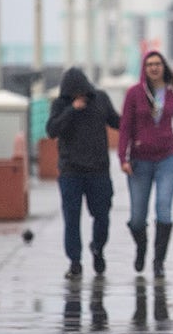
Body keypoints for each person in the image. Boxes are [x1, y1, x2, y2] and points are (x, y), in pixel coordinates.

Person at [119, 51, 173, 278]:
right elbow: (125, 128)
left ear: (164, 67)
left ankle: (159, 261)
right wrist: (123, 157)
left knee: (164, 208)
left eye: (158, 64)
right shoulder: (134, 93)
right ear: (144, 68)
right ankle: (141, 247)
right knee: (137, 217)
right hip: (140, 160)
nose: (154, 68)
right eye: (149, 64)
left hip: (167, 159)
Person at [45, 67, 121, 279]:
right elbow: (51, 130)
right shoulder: (60, 105)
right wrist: (72, 109)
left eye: (81, 92)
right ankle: (75, 262)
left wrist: (140, 123)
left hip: (98, 170)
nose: (78, 96)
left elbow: (116, 121)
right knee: (71, 219)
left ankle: (97, 247)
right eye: (73, 93)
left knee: (102, 216)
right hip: (71, 171)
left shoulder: (101, 99)